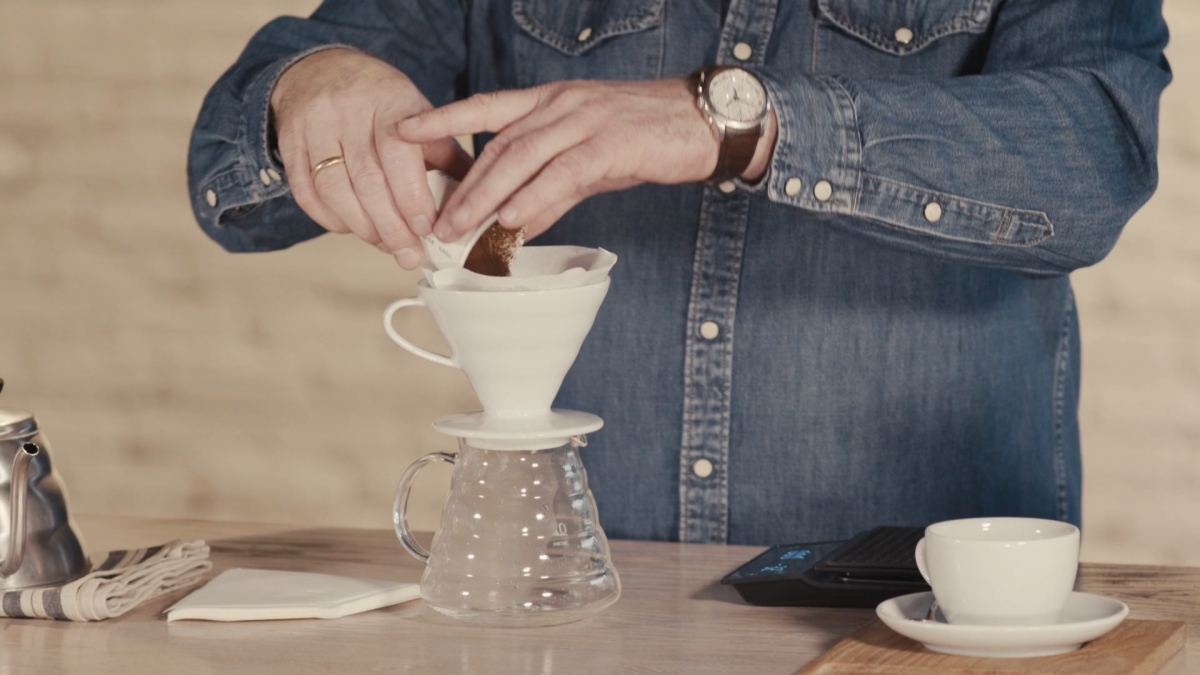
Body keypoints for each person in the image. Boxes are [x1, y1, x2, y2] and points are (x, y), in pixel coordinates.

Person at [187, 0, 1170, 546]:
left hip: (924, 610)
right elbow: (236, 186)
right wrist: (310, 81)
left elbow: (1095, 154)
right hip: (570, 606)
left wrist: (738, 120)